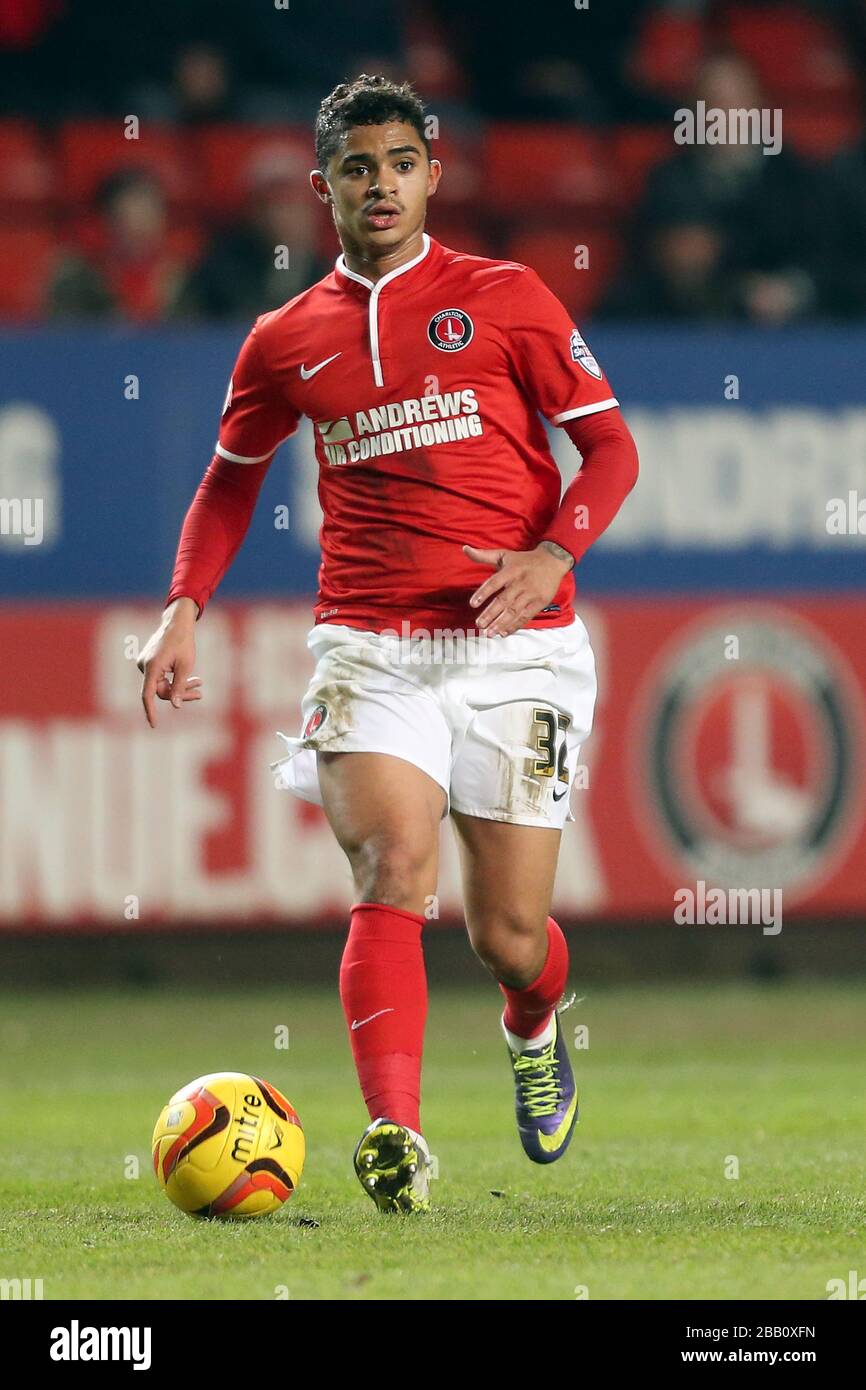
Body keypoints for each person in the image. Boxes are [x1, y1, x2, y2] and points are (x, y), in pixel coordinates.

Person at [137, 75, 638, 1214]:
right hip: (369, 647)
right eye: (358, 167)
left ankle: (532, 1022)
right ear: (324, 186)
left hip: (520, 649)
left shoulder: (506, 298)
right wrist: (183, 605)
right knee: (390, 871)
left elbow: (609, 453)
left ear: (433, 174)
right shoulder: (284, 338)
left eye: (399, 163)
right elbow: (228, 483)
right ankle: (393, 1134)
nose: (380, 184)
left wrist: (554, 554)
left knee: (506, 935)